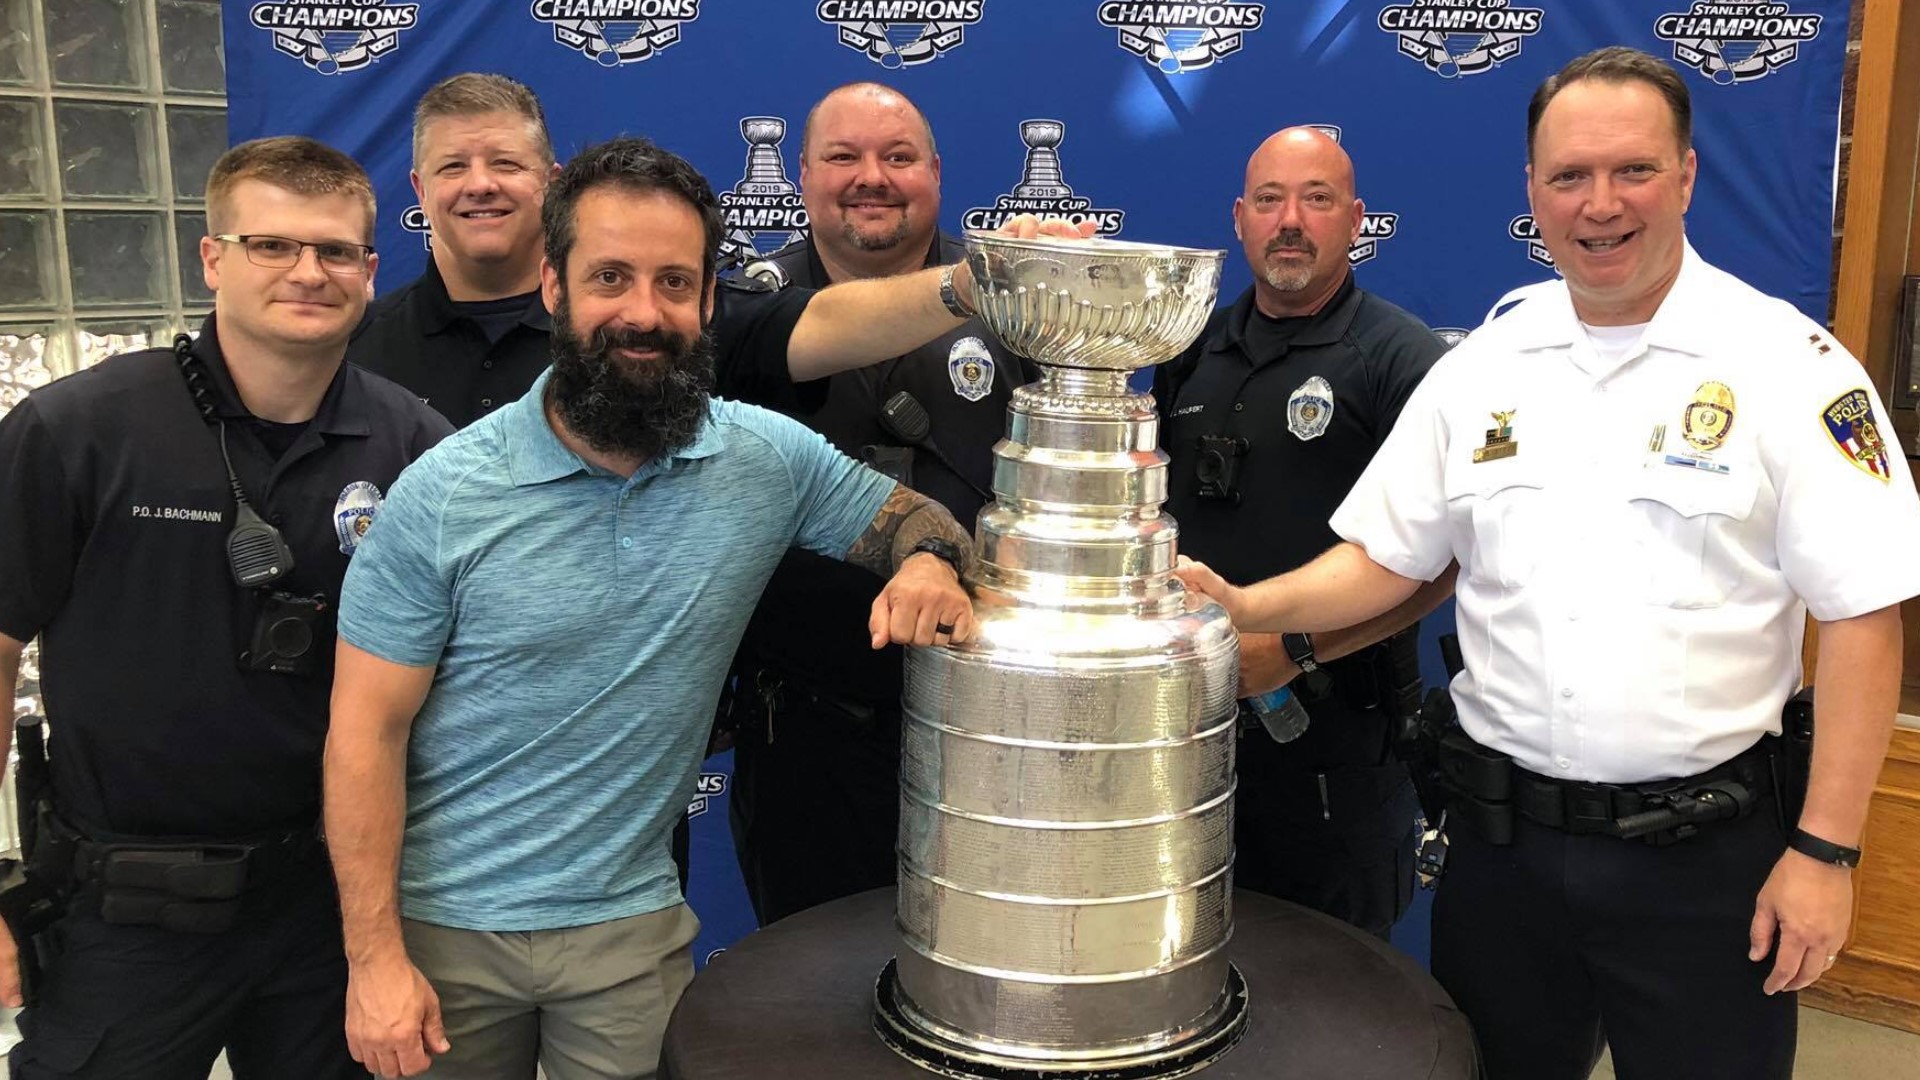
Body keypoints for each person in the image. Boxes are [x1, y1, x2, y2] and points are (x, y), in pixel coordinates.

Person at [1175, 46, 1920, 1080]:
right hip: (1502, 857)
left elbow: (1863, 617)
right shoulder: (1485, 366)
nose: (1600, 204)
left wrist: (1827, 851)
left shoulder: (1790, 368)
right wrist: (1246, 605)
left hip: (1703, 866)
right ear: (1533, 190)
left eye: (1634, 171)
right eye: (1570, 175)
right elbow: (1386, 560)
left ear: (1688, 176)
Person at [324, 136, 1030, 1080]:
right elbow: (362, 733)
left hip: (631, 930)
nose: (642, 313)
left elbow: (916, 519)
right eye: (609, 277)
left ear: (708, 301)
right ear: (554, 287)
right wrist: (374, 961)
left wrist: (933, 566)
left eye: (673, 282)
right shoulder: (444, 492)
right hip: (446, 931)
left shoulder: (761, 459)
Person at [0, 137, 452, 1078]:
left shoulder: (415, 446)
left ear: (371, 270)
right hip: (127, 915)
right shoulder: (77, 431)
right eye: (271, 246)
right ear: (213, 258)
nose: (308, 272)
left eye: (335, 251)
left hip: (332, 911)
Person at [726, 82, 1029, 926]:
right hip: (805, 738)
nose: (872, 178)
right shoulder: (741, 308)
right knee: (810, 1002)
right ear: (800, 174)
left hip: (993, 730)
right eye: (843, 157)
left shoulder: (1021, 307)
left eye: (898, 158)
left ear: (936, 172)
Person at [1155, 126, 1454, 938]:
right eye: (1270, 200)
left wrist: (1292, 649)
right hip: (1190, 736)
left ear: (1355, 219)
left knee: (1334, 994)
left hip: (1338, 744)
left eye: (1316, 199)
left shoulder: (1402, 362)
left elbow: (1443, 563)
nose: (1291, 220)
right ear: (1240, 219)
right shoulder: (1187, 352)